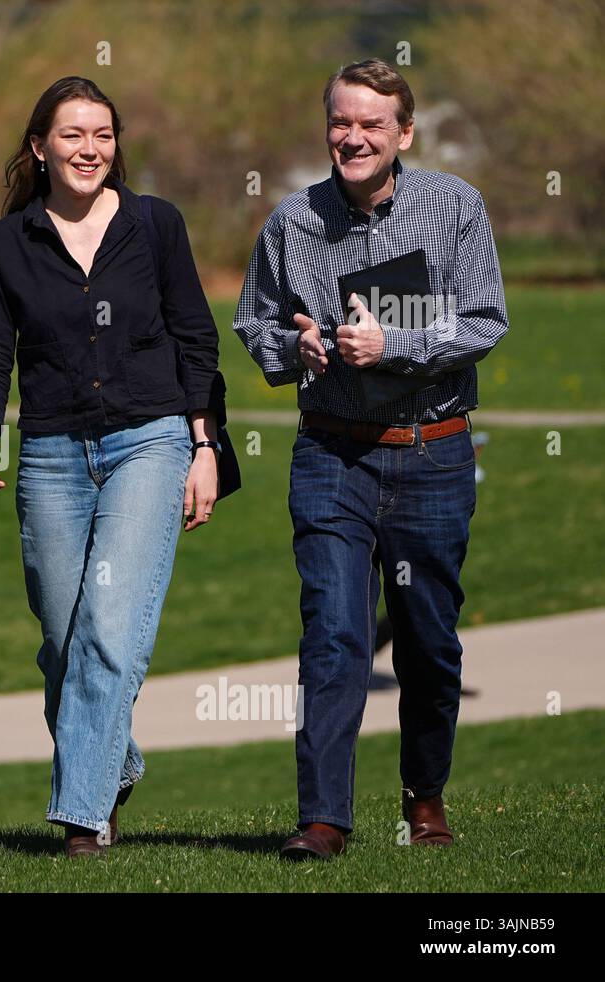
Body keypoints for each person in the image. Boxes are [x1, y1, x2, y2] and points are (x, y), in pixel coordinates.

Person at [232, 59, 509, 860]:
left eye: (371, 125)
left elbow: (485, 320)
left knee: (427, 640)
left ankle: (425, 796)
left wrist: (397, 344)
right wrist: (299, 344)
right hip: (332, 456)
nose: (352, 137)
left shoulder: (454, 208)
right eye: (340, 122)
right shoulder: (293, 220)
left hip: (433, 453)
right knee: (332, 637)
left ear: (404, 134)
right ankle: (323, 818)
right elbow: (255, 326)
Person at [0, 76, 226, 859]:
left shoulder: (155, 225)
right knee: (62, 639)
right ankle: (117, 762)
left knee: (110, 632)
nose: (89, 149)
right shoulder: (6, 244)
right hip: (48, 452)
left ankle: (83, 820)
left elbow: (196, 340)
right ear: (39, 147)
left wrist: (205, 446)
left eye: (102, 134)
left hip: (151, 440)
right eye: (72, 135)